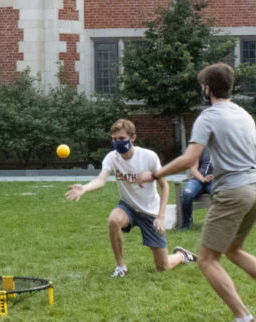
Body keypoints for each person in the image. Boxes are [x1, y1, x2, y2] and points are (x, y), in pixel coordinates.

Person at [137, 63, 256, 322]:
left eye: (202, 87)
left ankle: (245, 320)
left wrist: (154, 174)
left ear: (207, 88)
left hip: (233, 192)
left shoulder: (208, 117)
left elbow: (189, 159)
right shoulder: (244, 115)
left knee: (207, 259)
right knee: (234, 249)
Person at [66, 119, 197, 278]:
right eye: (114, 139)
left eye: (121, 139)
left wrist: (161, 217)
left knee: (163, 266)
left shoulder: (148, 156)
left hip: (150, 211)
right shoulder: (112, 158)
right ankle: (121, 267)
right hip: (128, 207)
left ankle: (182, 255)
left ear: (133, 138)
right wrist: (85, 188)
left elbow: (165, 186)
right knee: (113, 220)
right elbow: (101, 180)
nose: (117, 143)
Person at [180, 149, 212, 230]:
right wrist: (202, 178)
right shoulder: (201, 148)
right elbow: (193, 169)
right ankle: (186, 224)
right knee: (187, 193)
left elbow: (226, 170)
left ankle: (217, 224)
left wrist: (213, 176)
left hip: (214, 181)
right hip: (197, 179)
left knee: (219, 194)